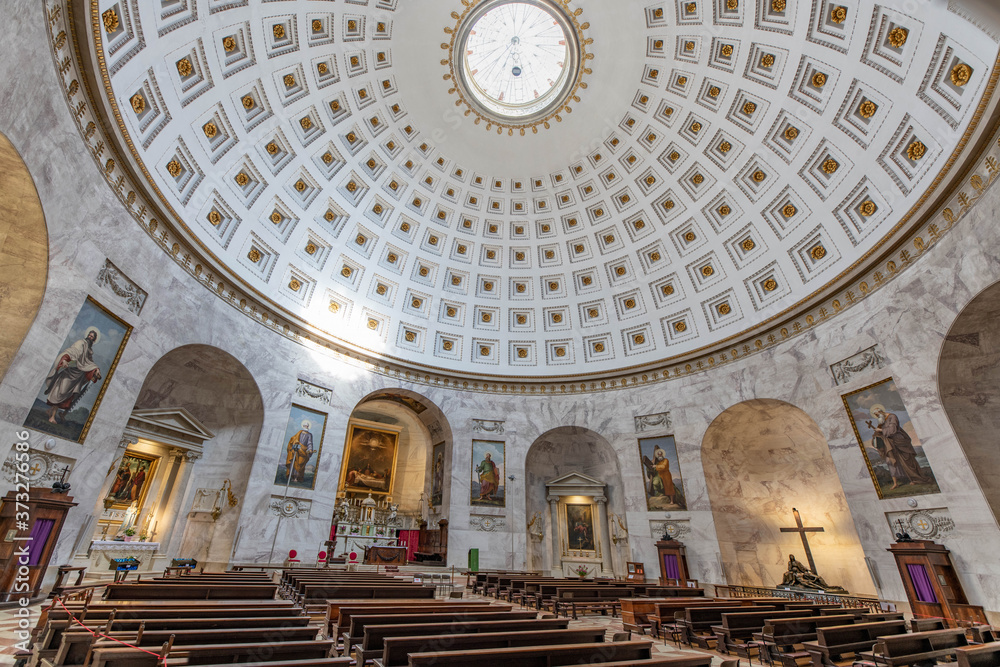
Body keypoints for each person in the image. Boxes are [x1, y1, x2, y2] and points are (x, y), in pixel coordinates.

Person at [43, 327, 103, 423]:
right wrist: (64, 360)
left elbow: (89, 363)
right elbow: (72, 351)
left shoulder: (89, 351)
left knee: (67, 397)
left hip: (77, 377)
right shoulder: (80, 343)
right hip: (69, 373)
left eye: (92, 337)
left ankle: (50, 412)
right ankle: (52, 417)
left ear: (94, 340)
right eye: (89, 335)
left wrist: (96, 369)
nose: (89, 337)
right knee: (60, 393)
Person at [869, 404, 934, 489]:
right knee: (892, 461)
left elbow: (893, 430)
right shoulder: (882, 421)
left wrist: (881, 430)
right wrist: (876, 434)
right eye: (876, 415)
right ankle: (897, 483)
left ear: (881, 412)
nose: (877, 417)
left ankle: (917, 478)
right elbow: (880, 432)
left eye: (877, 414)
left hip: (899, 441)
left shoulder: (892, 417)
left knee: (907, 461)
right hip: (890, 444)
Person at [780, 554, 847, 593]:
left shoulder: (798, 563)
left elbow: (802, 567)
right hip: (799, 576)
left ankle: (825, 587)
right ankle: (822, 587)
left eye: (792, 557)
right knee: (808, 583)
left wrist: (806, 571)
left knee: (817, 578)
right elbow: (789, 568)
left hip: (803, 574)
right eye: (790, 557)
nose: (791, 558)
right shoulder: (791, 566)